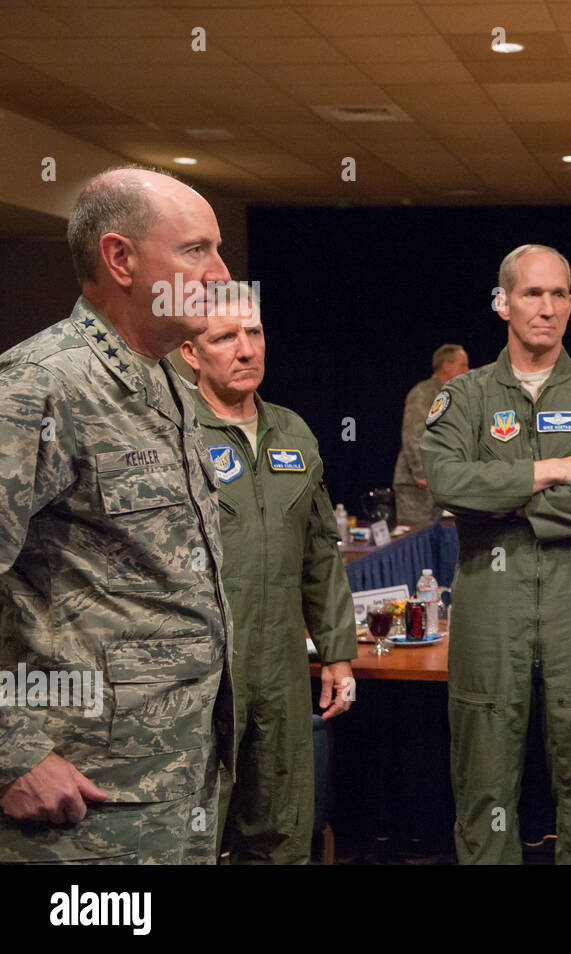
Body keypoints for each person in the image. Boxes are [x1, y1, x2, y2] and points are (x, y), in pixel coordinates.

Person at [0, 165, 235, 863]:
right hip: (83, 804)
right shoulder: (41, 385)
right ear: (120, 258)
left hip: (174, 784)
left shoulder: (168, 383)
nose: (222, 273)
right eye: (197, 250)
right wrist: (11, 752)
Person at [420, 244, 571, 864]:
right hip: (491, 605)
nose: (546, 307)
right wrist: (553, 469)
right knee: (483, 773)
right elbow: (446, 482)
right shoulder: (463, 397)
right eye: (532, 293)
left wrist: (512, 499)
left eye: (559, 294)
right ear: (503, 302)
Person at [179, 286, 356, 864]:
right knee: (193, 837)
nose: (245, 348)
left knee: (283, 831)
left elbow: (320, 554)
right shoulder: (172, 435)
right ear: (189, 351)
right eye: (224, 337)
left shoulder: (294, 434)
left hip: (281, 666)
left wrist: (336, 652)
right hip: (199, 675)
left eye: (253, 333)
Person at [393, 343, 470, 525]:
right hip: (418, 489)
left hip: (448, 484)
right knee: (417, 543)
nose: (468, 370)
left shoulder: (459, 395)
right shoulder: (422, 393)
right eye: (463, 365)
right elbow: (413, 436)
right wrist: (423, 473)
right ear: (446, 366)